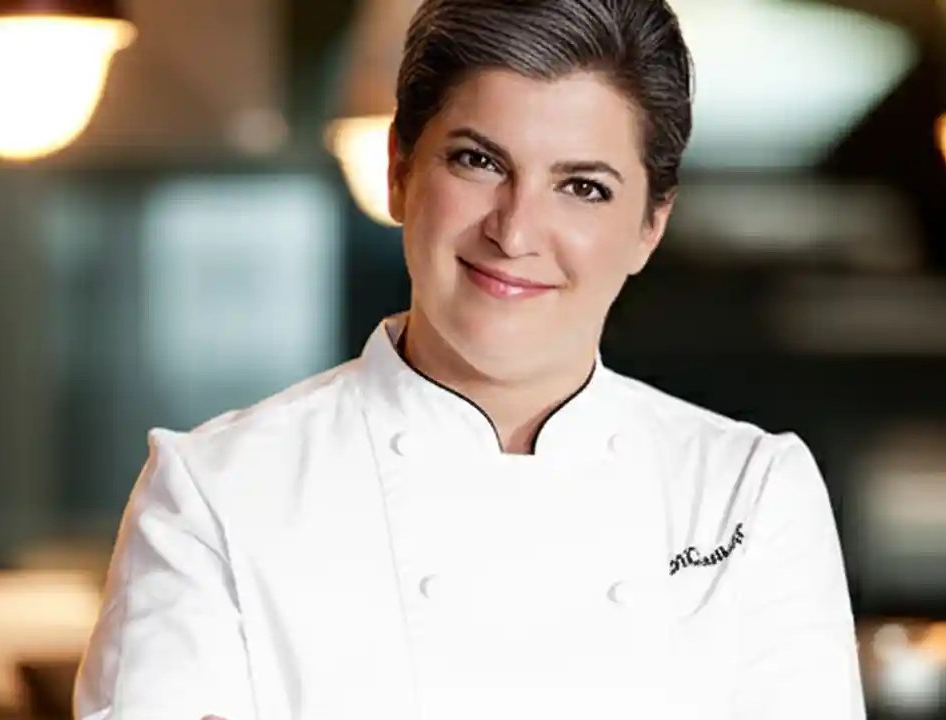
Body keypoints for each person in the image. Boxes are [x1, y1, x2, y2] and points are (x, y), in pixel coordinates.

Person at [73, 1, 865, 718]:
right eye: (478, 162)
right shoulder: (215, 493)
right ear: (398, 171)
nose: (514, 233)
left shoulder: (747, 493)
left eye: (583, 187)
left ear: (649, 227)